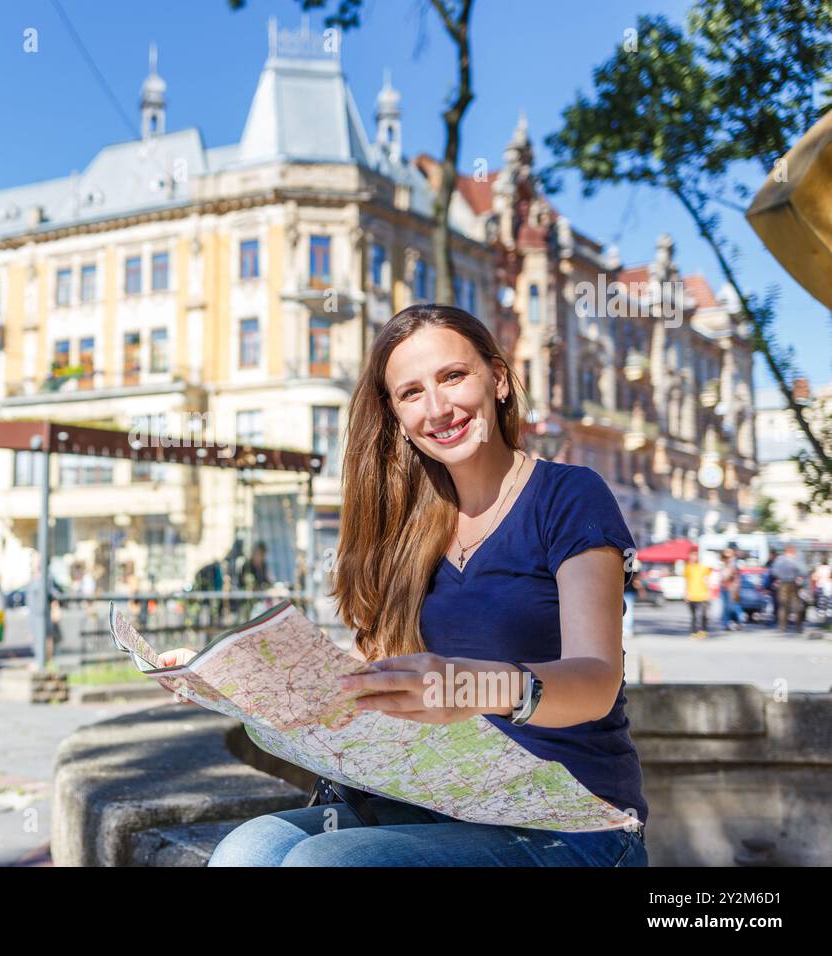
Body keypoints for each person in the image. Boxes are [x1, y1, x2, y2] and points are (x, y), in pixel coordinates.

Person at [164, 304, 648, 867]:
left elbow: (595, 682)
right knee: (245, 850)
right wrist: (236, 685)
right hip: (436, 803)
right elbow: (372, 682)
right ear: (394, 414)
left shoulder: (569, 494)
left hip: (572, 819)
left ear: (496, 378)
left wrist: (468, 686)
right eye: (411, 393)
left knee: (325, 864)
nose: (438, 408)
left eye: (453, 377)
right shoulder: (401, 526)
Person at [770, 545, 808, 633]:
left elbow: (774, 572)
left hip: (782, 583)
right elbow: (803, 571)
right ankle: (798, 627)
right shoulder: (796, 559)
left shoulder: (780, 559)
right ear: (792, 551)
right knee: (796, 606)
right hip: (794, 583)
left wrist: (780, 575)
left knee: (783, 606)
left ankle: (782, 627)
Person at [683, 547, 712, 640]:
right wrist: (686, 593)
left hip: (702, 594)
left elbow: (707, 579)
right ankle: (693, 632)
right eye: (692, 555)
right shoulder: (687, 567)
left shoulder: (703, 567)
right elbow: (686, 581)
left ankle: (703, 631)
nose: (693, 557)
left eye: (695, 555)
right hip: (691, 594)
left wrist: (708, 592)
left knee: (703, 615)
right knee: (694, 615)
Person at [718, 549, 744, 631]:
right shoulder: (723, 562)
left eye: (729, 552)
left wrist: (737, 587)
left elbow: (733, 575)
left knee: (733, 606)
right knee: (726, 606)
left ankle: (738, 621)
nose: (727, 553)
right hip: (725, 587)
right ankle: (726, 623)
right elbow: (723, 575)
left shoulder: (733, 562)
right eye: (726, 552)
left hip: (732, 587)